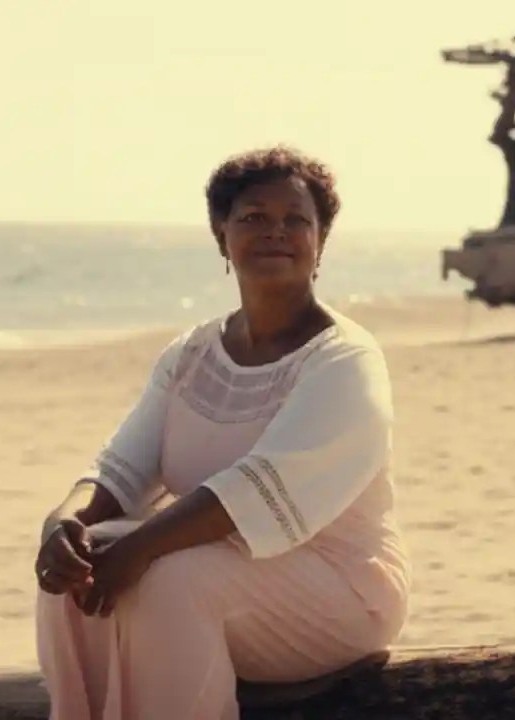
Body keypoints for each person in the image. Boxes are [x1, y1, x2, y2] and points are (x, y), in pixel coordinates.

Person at [33, 147, 410, 720]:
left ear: (320, 240)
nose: (274, 233)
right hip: (216, 571)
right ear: (221, 234)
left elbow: (257, 488)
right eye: (254, 217)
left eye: (295, 220)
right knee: (76, 566)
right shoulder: (191, 355)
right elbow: (121, 470)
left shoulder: (344, 360)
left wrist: (137, 549)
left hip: (343, 592)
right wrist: (65, 522)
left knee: (168, 578)